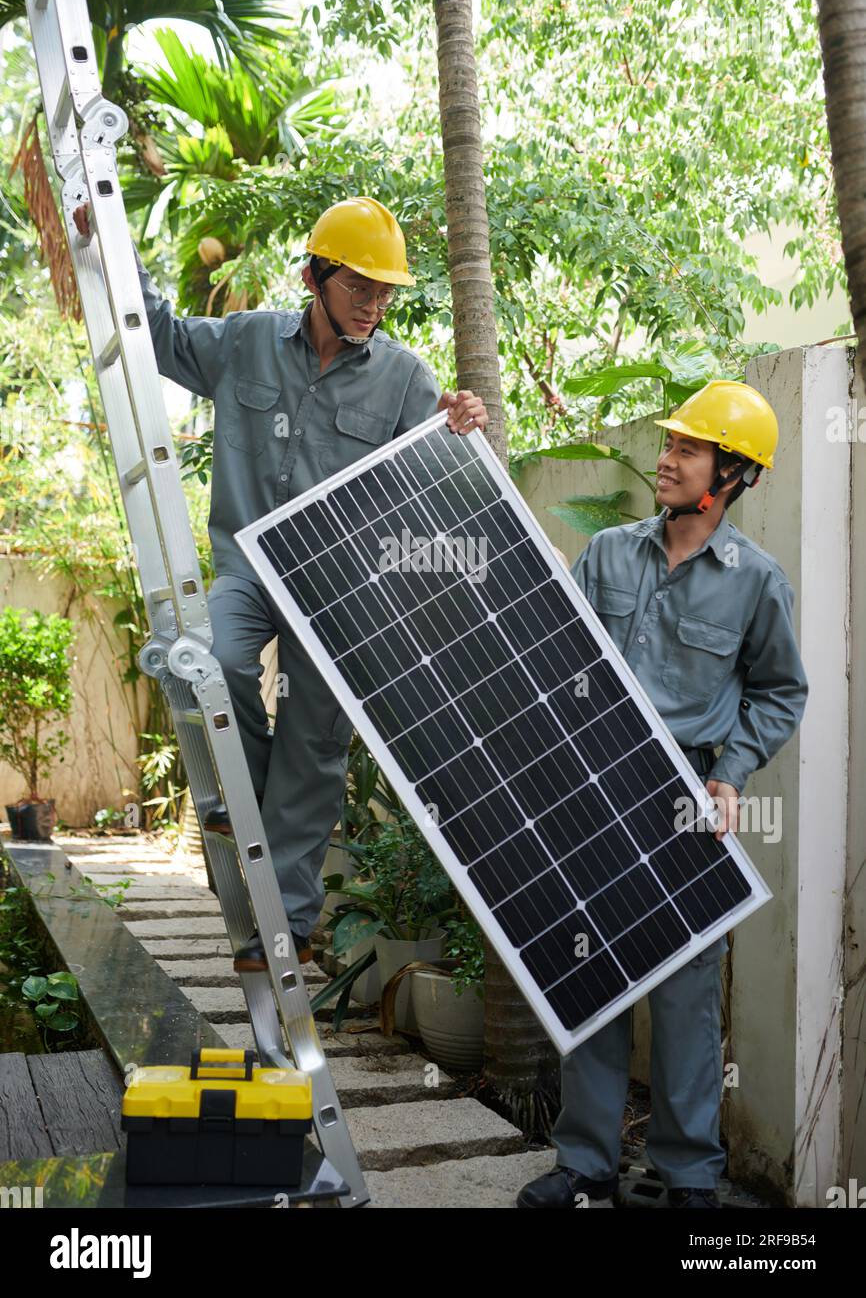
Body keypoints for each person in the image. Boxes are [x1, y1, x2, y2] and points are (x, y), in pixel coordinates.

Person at [73, 195, 488, 970]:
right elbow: (155, 334)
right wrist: (111, 246)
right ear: (314, 276)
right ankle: (244, 797)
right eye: (358, 284)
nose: (373, 303)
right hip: (250, 568)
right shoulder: (249, 340)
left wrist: (458, 423)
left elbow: (438, 480)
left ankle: (289, 925)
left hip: (343, 589)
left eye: (385, 289)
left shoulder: (404, 379)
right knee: (214, 659)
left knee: (315, 744)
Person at [517, 379, 808, 1210]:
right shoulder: (609, 553)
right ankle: (585, 1164)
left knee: (685, 993)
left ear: (732, 475)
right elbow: (557, 655)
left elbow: (781, 691)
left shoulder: (757, 581)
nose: (666, 459)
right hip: (596, 782)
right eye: (670, 444)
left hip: (686, 787)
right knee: (591, 969)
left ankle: (688, 1176)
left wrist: (731, 772)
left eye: (687, 449)